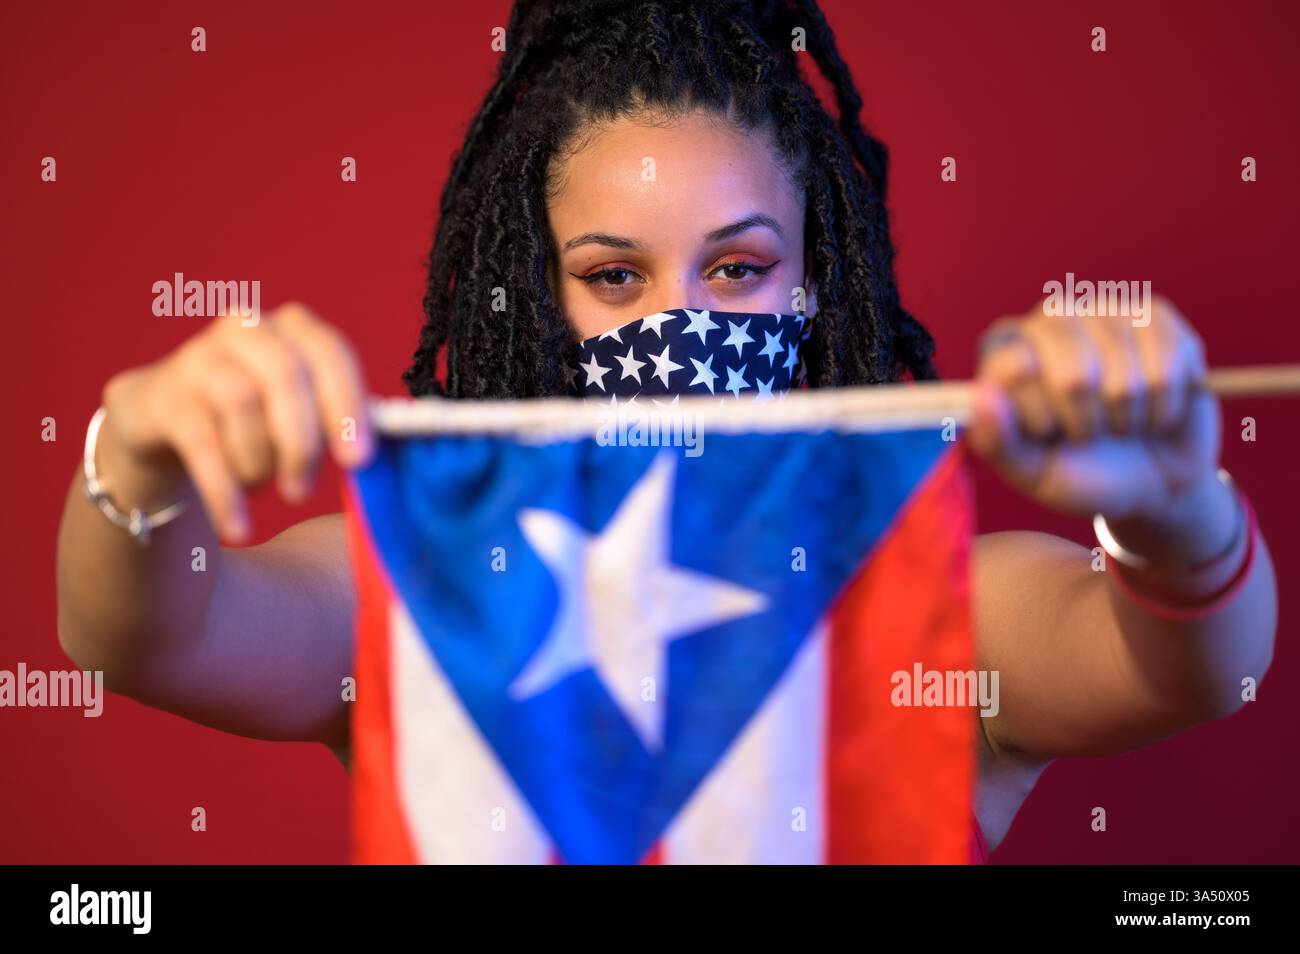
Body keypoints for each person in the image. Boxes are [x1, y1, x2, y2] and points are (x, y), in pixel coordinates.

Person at [55, 0, 1277, 860]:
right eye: (615, 276)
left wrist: (1171, 507)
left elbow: (1193, 668)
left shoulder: (918, 594)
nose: (682, 324)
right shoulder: (438, 582)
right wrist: (141, 455)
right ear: (542, 296)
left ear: (816, 285)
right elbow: (152, 639)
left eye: (738, 270)